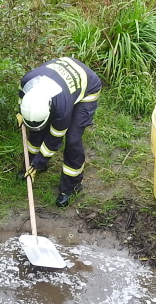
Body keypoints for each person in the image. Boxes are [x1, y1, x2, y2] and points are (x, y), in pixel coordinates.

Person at [19, 57, 102, 208]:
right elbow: (21, 102)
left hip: (87, 88)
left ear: (50, 108)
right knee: (36, 133)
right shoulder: (27, 83)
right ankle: (31, 165)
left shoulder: (61, 108)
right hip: (62, 80)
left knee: (72, 140)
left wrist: (38, 162)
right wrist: (20, 115)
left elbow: (54, 140)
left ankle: (71, 188)